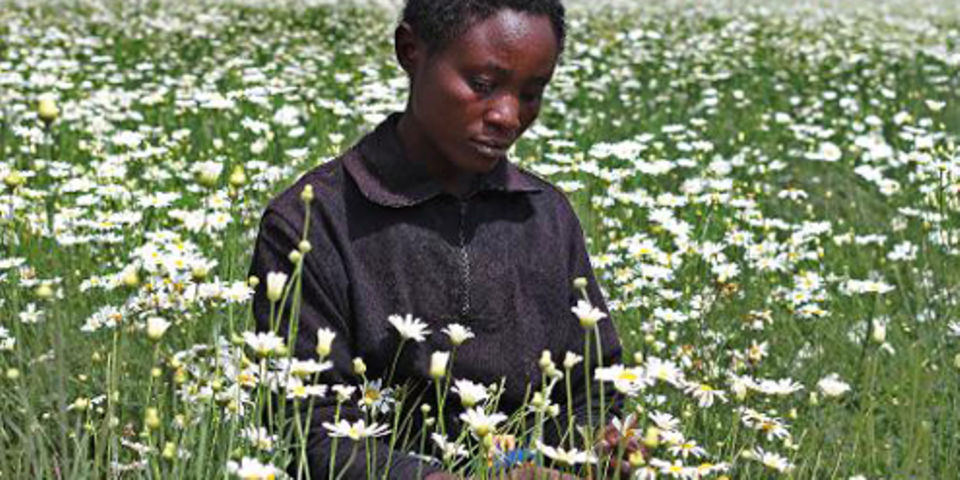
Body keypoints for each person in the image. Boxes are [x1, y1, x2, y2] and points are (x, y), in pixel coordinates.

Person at [249, 0, 635, 478]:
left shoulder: (545, 215)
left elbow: (593, 390)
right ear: (410, 50)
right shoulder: (312, 223)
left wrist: (604, 443)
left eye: (533, 92)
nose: (509, 116)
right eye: (483, 85)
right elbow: (307, 430)